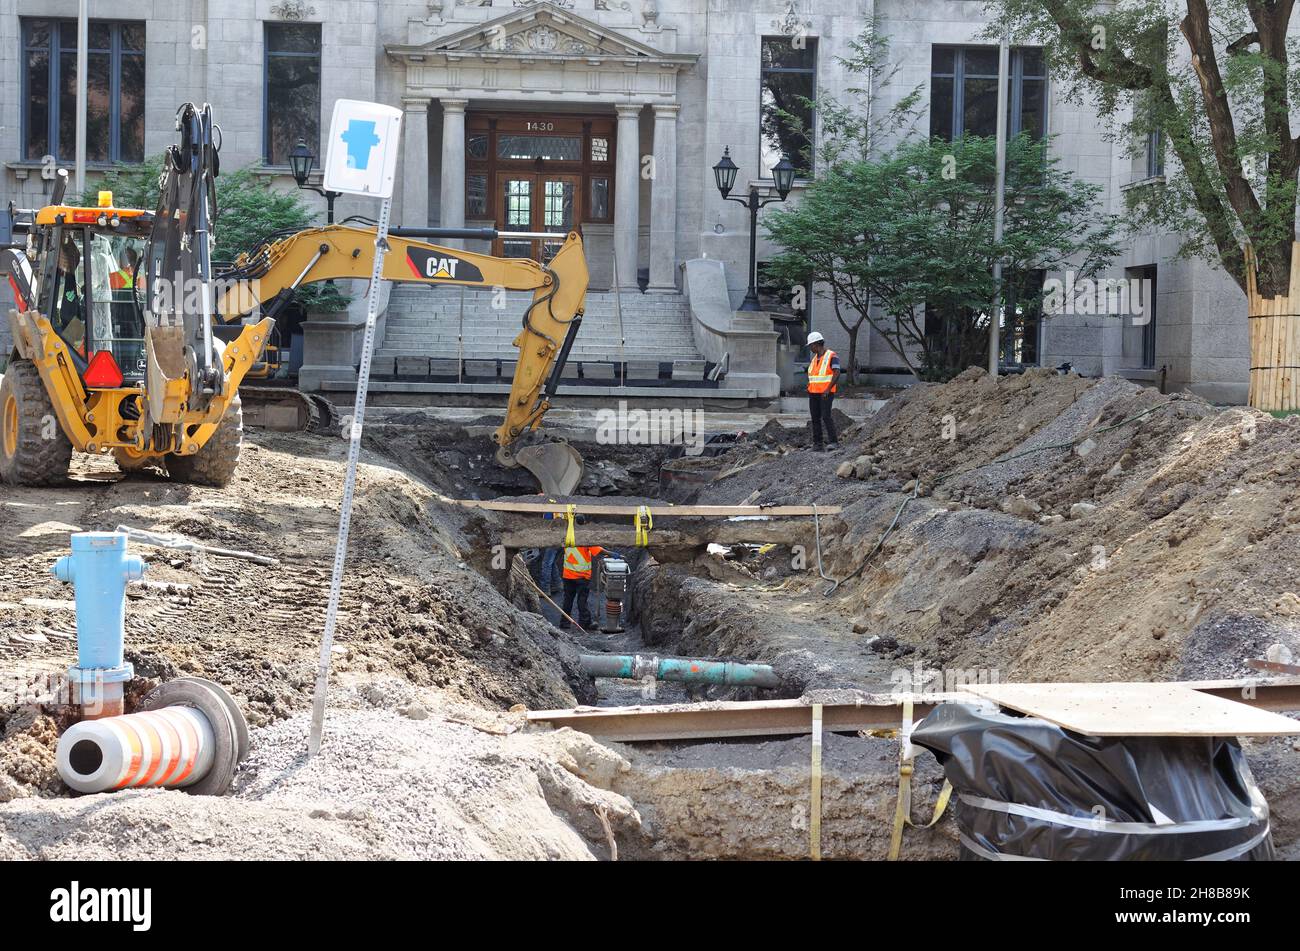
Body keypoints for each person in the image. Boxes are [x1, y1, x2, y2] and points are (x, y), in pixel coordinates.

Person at [805, 330, 840, 451]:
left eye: (810, 345)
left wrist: (828, 389)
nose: (810, 348)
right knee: (815, 418)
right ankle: (818, 444)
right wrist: (809, 386)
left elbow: (837, 372)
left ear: (816, 344)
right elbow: (814, 375)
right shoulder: (815, 359)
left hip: (826, 393)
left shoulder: (831, 355)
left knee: (826, 416)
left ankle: (834, 442)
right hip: (813, 393)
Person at [559, 542, 606, 630]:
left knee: (567, 600)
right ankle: (585, 623)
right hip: (582, 576)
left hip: (568, 575)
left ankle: (564, 622)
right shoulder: (585, 539)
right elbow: (598, 550)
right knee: (582, 600)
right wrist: (612, 554)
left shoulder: (568, 538)